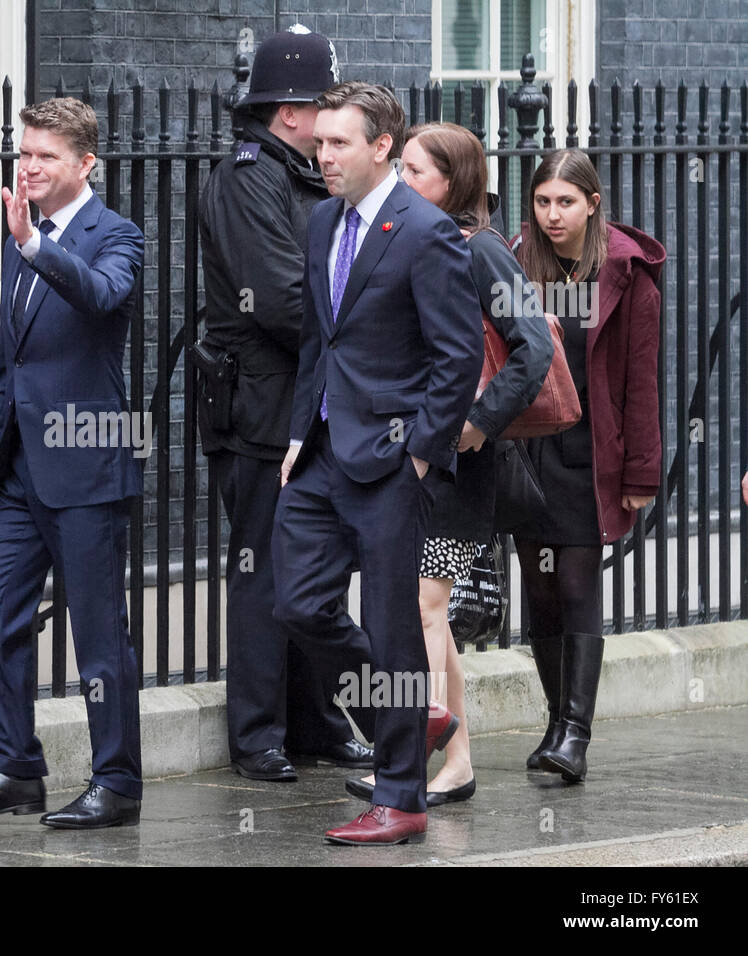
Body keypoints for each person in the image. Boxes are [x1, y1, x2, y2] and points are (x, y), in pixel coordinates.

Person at [273, 82, 483, 846]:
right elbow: (315, 340)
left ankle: (402, 799)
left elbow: (456, 358)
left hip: (394, 462)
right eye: (319, 142)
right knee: (297, 602)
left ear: (381, 147)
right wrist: (301, 432)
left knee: (393, 630)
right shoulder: (322, 218)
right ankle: (411, 715)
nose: (321, 155)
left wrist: (422, 457)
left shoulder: (424, 231)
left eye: (337, 144)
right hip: (323, 453)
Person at [0, 98, 146, 829]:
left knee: (97, 636)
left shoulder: (114, 234)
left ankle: (115, 782)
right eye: (23, 155)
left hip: (86, 467)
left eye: (44, 157)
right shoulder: (19, 238)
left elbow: (101, 296)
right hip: (22, 472)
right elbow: (12, 362)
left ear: (86, 163)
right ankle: (16, 769)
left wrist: (34, 246)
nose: (27, 168)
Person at [344, 122, 553, 807]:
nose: (401, 183)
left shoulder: (483, 249)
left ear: (455, 183)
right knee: (423, 608)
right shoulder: (415, 240)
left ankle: (400, 759)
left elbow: (534, 348)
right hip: (422, 455)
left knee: (425, 605)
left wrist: (478, 423)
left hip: (465, 462)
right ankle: (455, 761)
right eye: (398, 168)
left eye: (416, 173)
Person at [197, 26, 373, 782]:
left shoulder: (300, 173)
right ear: (289, 111)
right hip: (262, 409)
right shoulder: (247, 179)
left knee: (315, 575)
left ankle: (316, 720)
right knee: (265, 570)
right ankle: (260, 733)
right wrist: (366, 339)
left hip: (311, 405)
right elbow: (278, 298)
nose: (331, 121)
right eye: (322, 103)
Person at [514, 148, 663, 782]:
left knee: (576, 584)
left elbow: (640, 382)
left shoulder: (626, 276)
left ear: (593, 204)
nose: (552, 215)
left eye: (566, 202)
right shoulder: (519, 260)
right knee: (540, 588)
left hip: (589, 451)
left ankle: (576, 733)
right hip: (526, 449)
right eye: (543, 201)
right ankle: (555, 721)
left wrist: (640, 475)